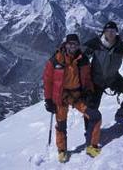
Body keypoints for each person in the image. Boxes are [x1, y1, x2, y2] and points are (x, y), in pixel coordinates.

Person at [43, 34, 102, 163]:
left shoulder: (83, 59)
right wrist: (48, 100)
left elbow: (87, 78)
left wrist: (90, 91)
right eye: (70, 44)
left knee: (95, 116)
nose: (73, 46)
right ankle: (62, 151)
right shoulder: (55, 60)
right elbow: (48, 81)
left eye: (75, 44)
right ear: (65, 44)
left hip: (78, 96)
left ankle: (91, 146)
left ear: (78, 45)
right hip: (61, 97)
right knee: (61, 124)